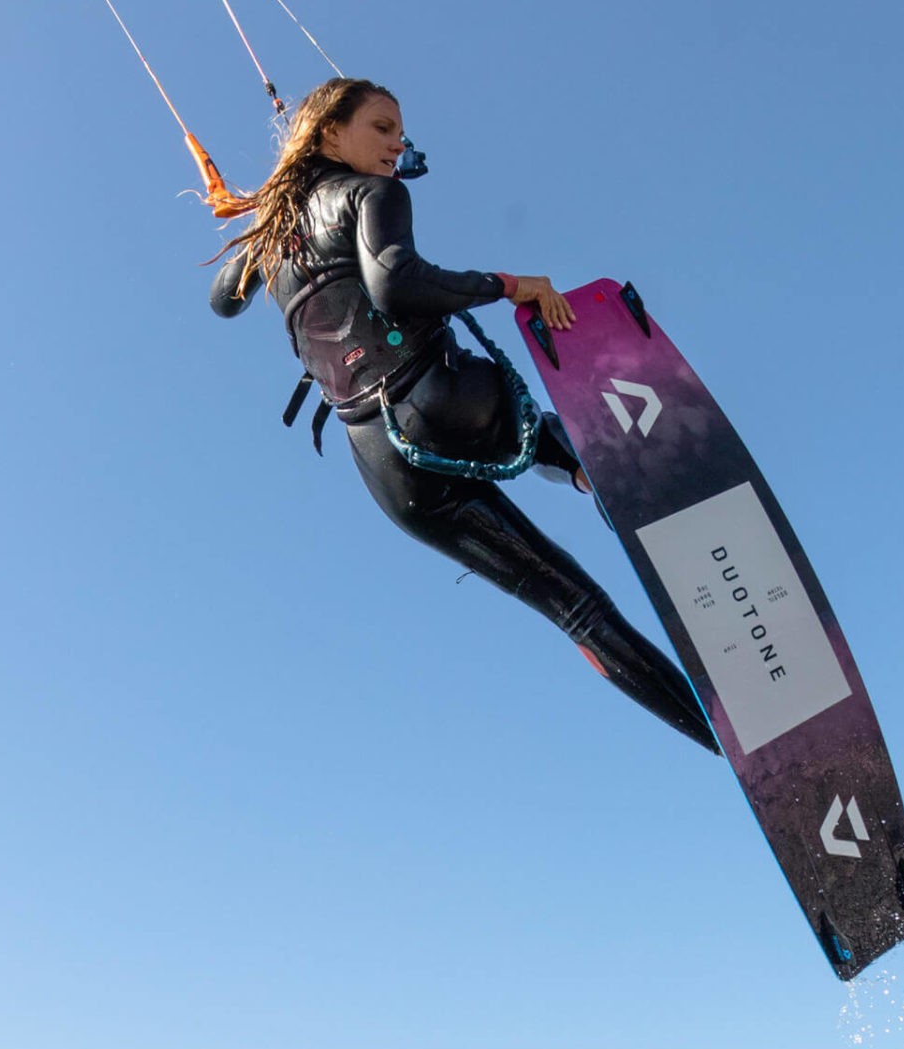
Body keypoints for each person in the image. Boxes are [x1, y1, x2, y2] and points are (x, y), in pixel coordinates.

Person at [209, 77, 717, 754]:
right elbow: (397, 282)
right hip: (444, 395)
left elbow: (223, 301)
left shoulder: (270, 243)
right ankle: (611, 485)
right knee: (556, 444)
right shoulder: (372, 194)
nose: (397, 144)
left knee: (578, 609)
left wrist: (261, 219)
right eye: (382, 127)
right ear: (330, 132)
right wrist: (509, 285)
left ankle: (731, 750)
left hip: (388, 466)